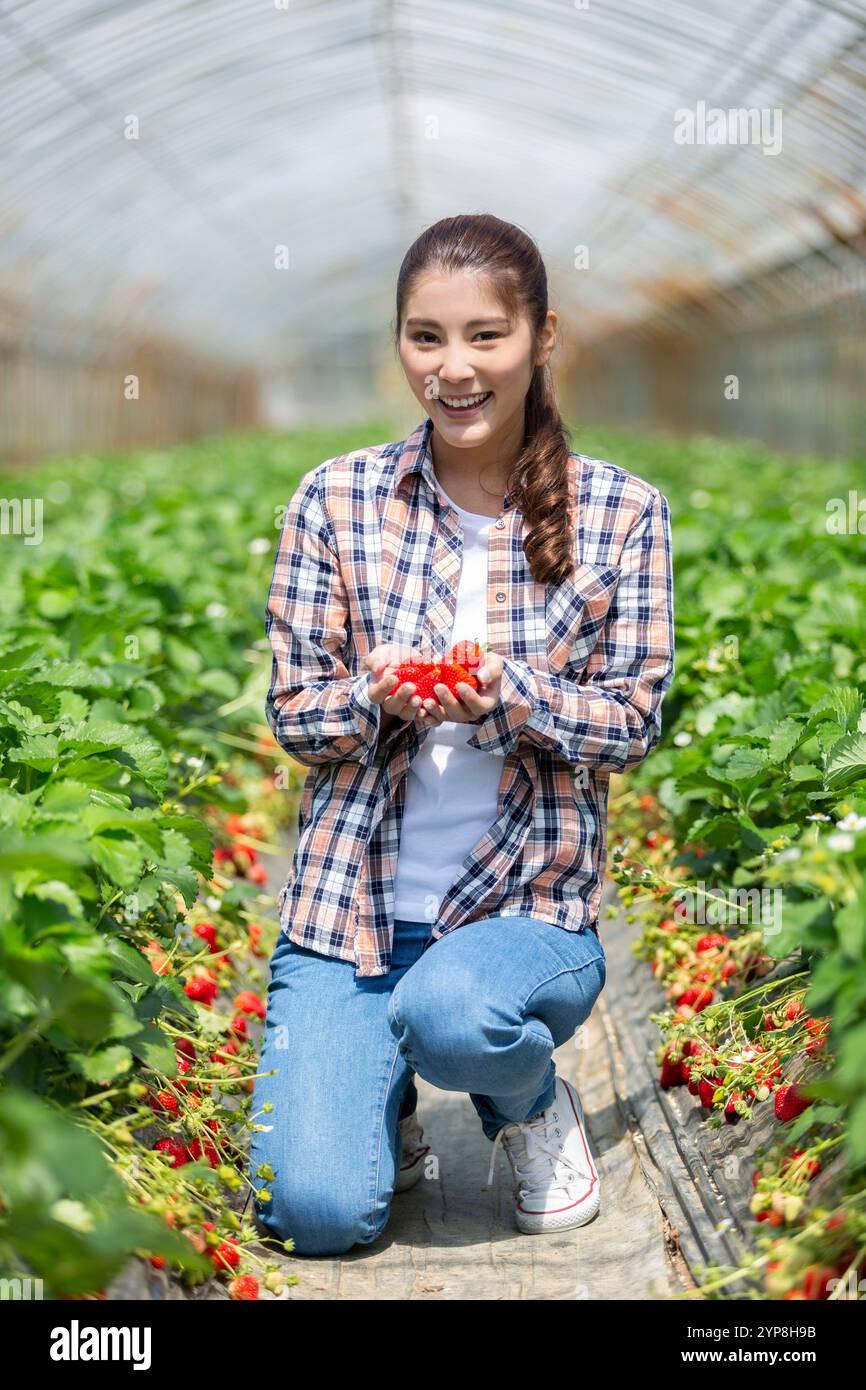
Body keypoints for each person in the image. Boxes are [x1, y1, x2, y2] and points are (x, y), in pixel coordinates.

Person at [247, 212, 675, 1257]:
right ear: (398, 341)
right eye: (424, 336)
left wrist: (512, 696)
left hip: (522, 918)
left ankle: (529, 1105)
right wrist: (373, 696)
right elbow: (294, 714)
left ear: (540, 336)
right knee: (313, 1209)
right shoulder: (336, 500)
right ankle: (370, 1094)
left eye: (484, 335)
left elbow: (628, 723)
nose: (453, 368)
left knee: (453, 1011)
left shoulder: (619, 513)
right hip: (350, 915)